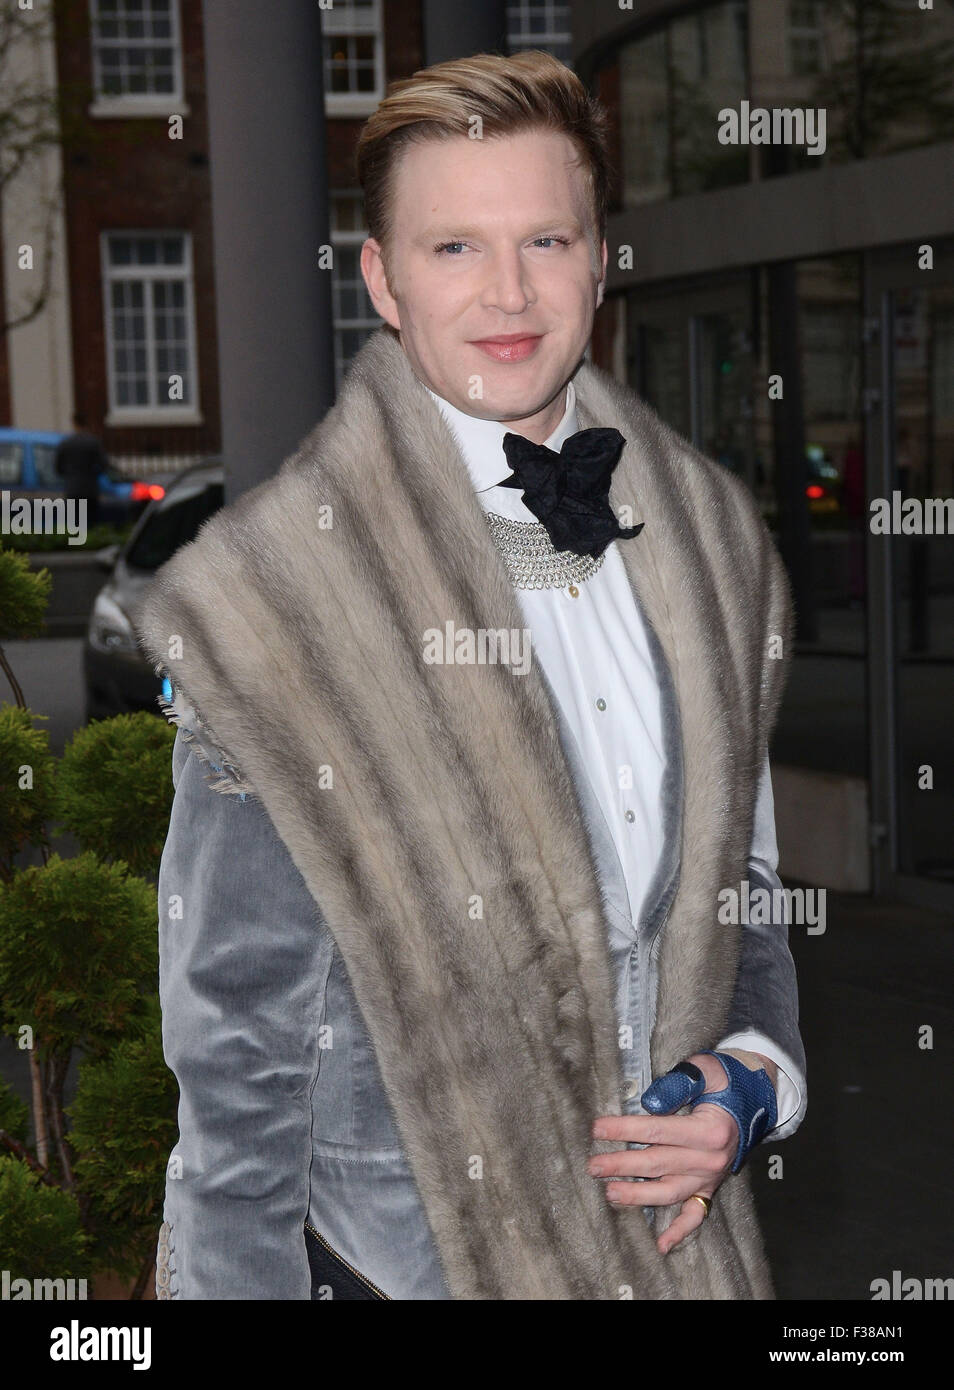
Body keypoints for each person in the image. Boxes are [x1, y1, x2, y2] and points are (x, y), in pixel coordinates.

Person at [137, 51, 806, 1302]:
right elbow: (237, 1057)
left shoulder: (711, 541)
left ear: (601, 257)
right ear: (384, 282)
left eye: (546, 239)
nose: (508, 291)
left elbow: (744, 890)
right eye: (454, 248)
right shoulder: (285, 602)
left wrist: (749, 1080)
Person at [54, 412, 105, 526]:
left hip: (73, 490)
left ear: (74, 423)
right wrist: (93, 474)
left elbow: (58, 468)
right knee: (91, 523)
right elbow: (103, 465)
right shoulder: (93, 442)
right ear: (86, 423)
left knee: (75, 525)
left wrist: (70, 475)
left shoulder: (66, 443)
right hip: (90, 490)